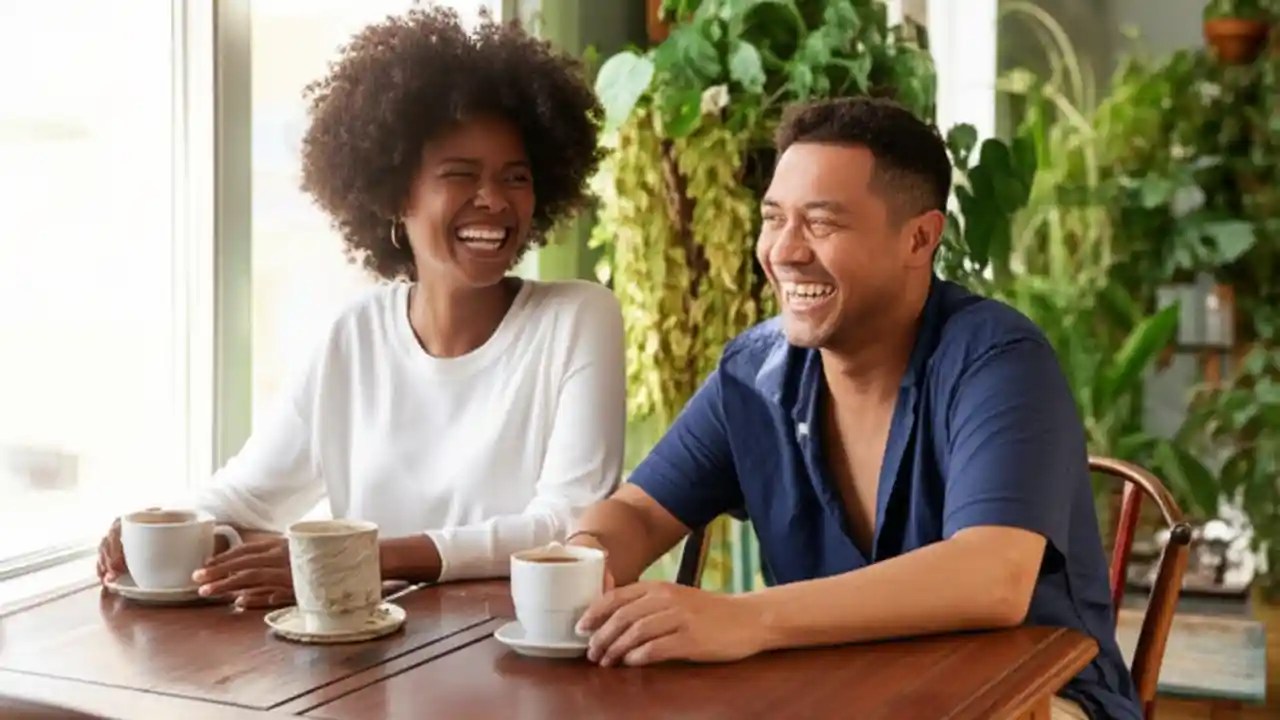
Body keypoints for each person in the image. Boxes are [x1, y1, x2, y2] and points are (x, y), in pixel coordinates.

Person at [566, 97, 1142, 720]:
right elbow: (639, 513)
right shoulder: (755, 375)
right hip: (842, 697)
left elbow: (992, 576)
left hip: (1030, 702)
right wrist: (587, 558)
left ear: (919, 238)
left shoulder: (996, 361)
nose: (784, 251)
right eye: (773, 218)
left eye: (822, 223)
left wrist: (745, 618)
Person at [95, 7, 624, 607]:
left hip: (518, 664)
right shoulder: (355, 337)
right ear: (396, 192)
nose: (494, 200)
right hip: (366, 665)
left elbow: (567, 523)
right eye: (461, 174)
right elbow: (245, 497)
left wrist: (359, 560)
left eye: (516, 177)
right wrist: (161, 525)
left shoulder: (579, 319)